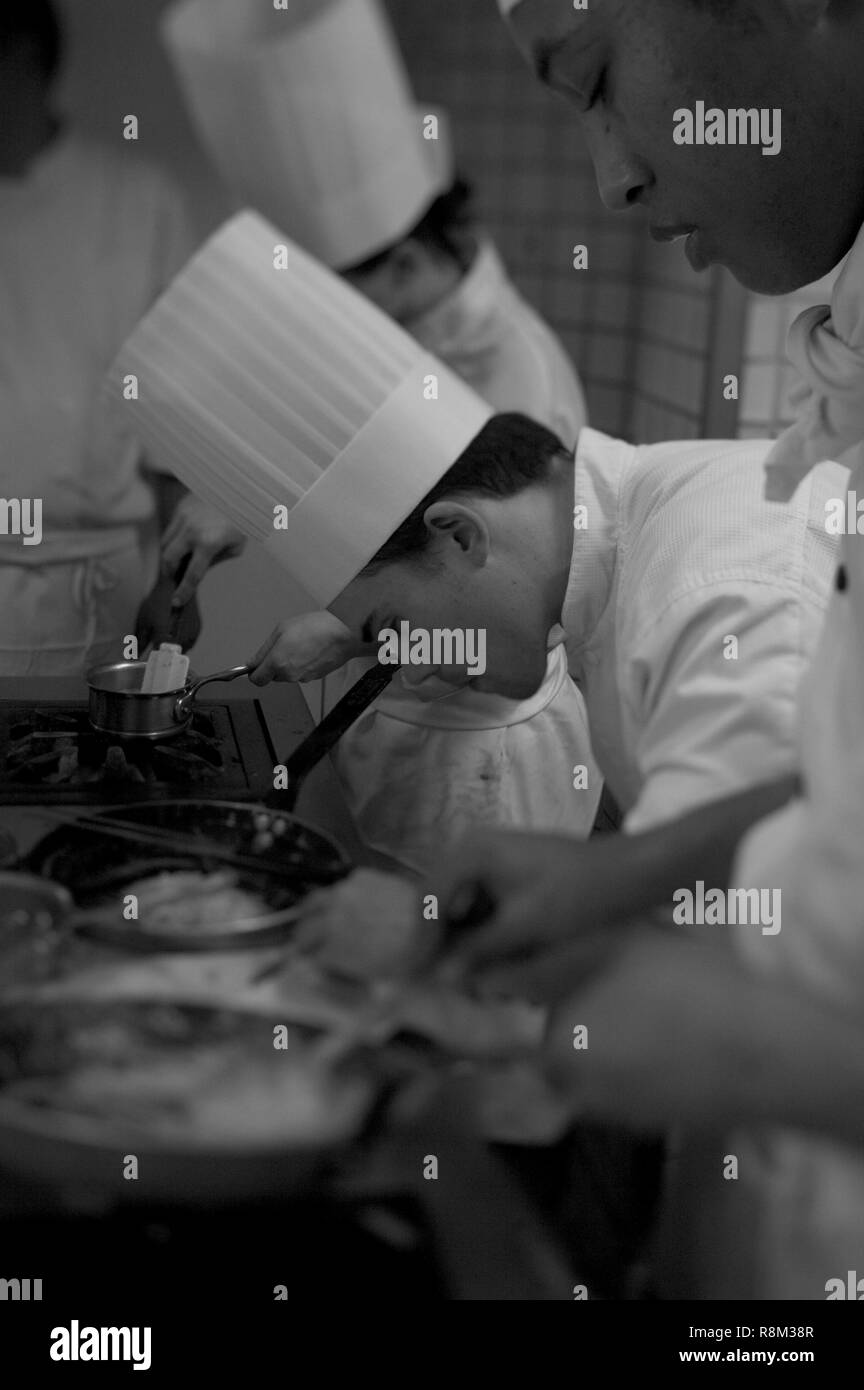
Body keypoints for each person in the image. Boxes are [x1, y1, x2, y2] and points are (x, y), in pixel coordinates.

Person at [432, 0, 864, 1300]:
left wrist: (756, 1051)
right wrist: (615, 883)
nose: (613, 174)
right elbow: (842, 800)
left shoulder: (725, 572)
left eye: (600, 79)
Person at [162, 0, 595, 868]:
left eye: (333, 292)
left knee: (462, 987)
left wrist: (344, 631)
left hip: (484, 755)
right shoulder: (409, 329)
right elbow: (367, 478)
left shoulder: (521, 385)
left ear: (401, 263)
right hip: (391, 717)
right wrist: (238, 501)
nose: (320, 325)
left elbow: (514, 623)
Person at [0, 0, 244, 676]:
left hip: (95, 587)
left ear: (22, 60)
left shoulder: (139, 203)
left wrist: (177, 581)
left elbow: (180, 409)